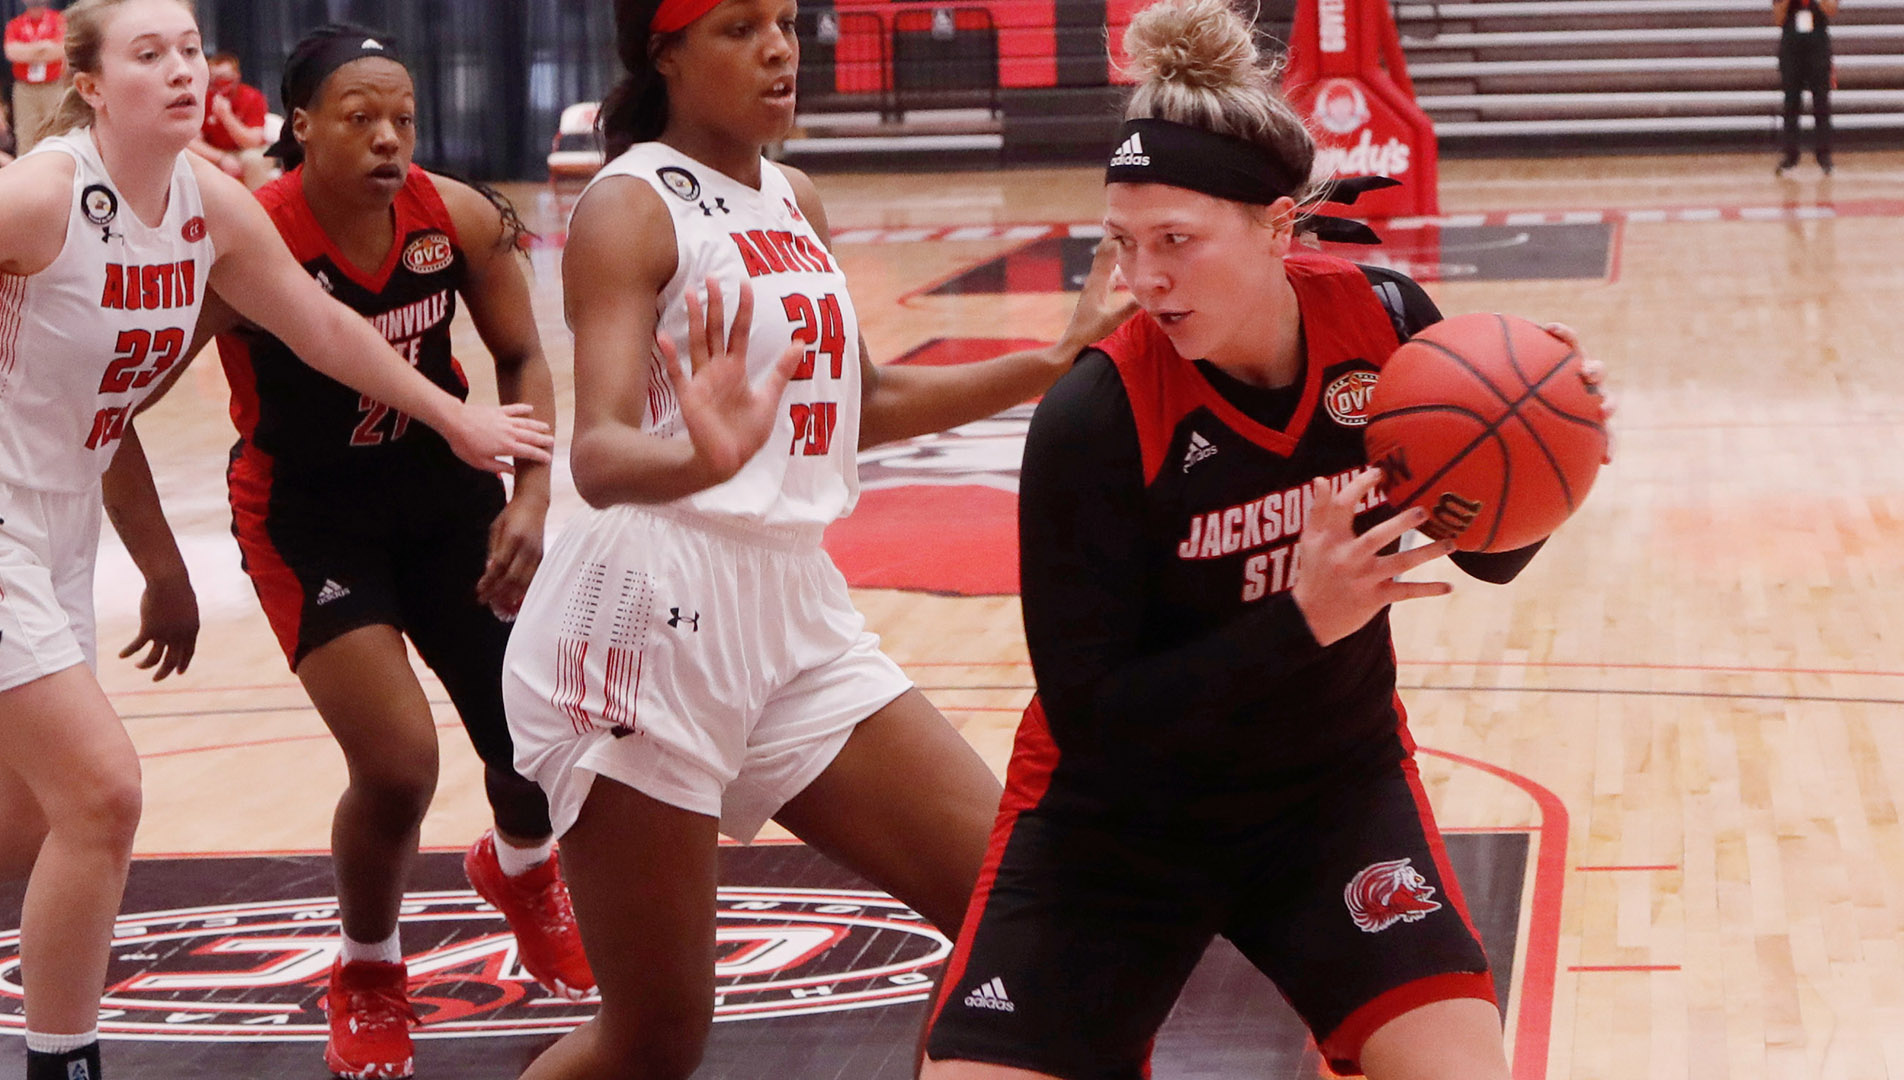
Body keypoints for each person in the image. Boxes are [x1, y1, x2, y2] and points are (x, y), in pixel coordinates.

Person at [920, 2, 1614, 1078]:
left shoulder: (1384, 326)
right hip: (1113, 827)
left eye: (1176, 243)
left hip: (1326, 796)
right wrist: (1302, 621)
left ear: (1279, 227)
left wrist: (1552, 447)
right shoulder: (1095, 417)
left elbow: (1485, 551)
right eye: (1122, 246)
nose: (1143, 281)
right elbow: (1094, 719)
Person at [497, 0, 1133, 1076]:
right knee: (655, 1041)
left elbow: (862, 401)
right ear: (665, 52)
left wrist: (1050, 364)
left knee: (1023, 906)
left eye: (787, 22)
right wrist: (703, 456)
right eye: (739, 27)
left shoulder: (793, 197)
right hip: (645, 618)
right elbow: (600, 454)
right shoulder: (630, 207)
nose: (783, 49)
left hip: (790, 605)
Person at [0, 2, 551, 1079]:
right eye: (149, 55)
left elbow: (326, 327)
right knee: (103, 793)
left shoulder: (207, 203)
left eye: (191, 49)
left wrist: (455, 418)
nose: (183, 69)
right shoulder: (40, 193)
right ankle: (66, 1065)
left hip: (53, 522)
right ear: (95, 85)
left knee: (14, 828)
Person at [156, 25, 590, 1080]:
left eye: (403, 116)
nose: (390, 137)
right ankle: (367, 971)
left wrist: (532, 495)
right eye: (361, 117)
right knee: (397, 766)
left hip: (445, 494)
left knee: (534, 739)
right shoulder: (244, 243)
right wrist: (163, 568)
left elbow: (525, 353)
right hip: (309, 515)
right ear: (299, 127)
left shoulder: (463, 216)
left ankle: (525, 869)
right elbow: (123, 402)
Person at [188, 50, 273, 189]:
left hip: (247, 150)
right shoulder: (201, 99)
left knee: (254, 160)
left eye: (225, 78)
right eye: (214, 79)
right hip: (217, 152)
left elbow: (253, 141)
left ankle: (260, 206)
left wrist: (227, 117)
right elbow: (191, 142)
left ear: (237, 77)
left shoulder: (252, 97)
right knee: (188, 159)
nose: (220, 84)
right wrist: (221, 158)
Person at [1774, 0, 1836, 174]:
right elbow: (1778, 19)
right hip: (1791, 50)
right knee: (1791, 104)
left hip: (1818, 49)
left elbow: (1831, 10)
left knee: (1821, 103)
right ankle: (1790, 157)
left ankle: (1824, 157)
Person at [3, 0, 65, 155]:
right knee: (25, 137)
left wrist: (28, 51)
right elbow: (12, 53)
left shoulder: (60, 20)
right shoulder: (15, 24)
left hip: (54, 86)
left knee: (58, 133)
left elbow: (61, 50)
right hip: (25, 89)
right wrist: (44, 47)